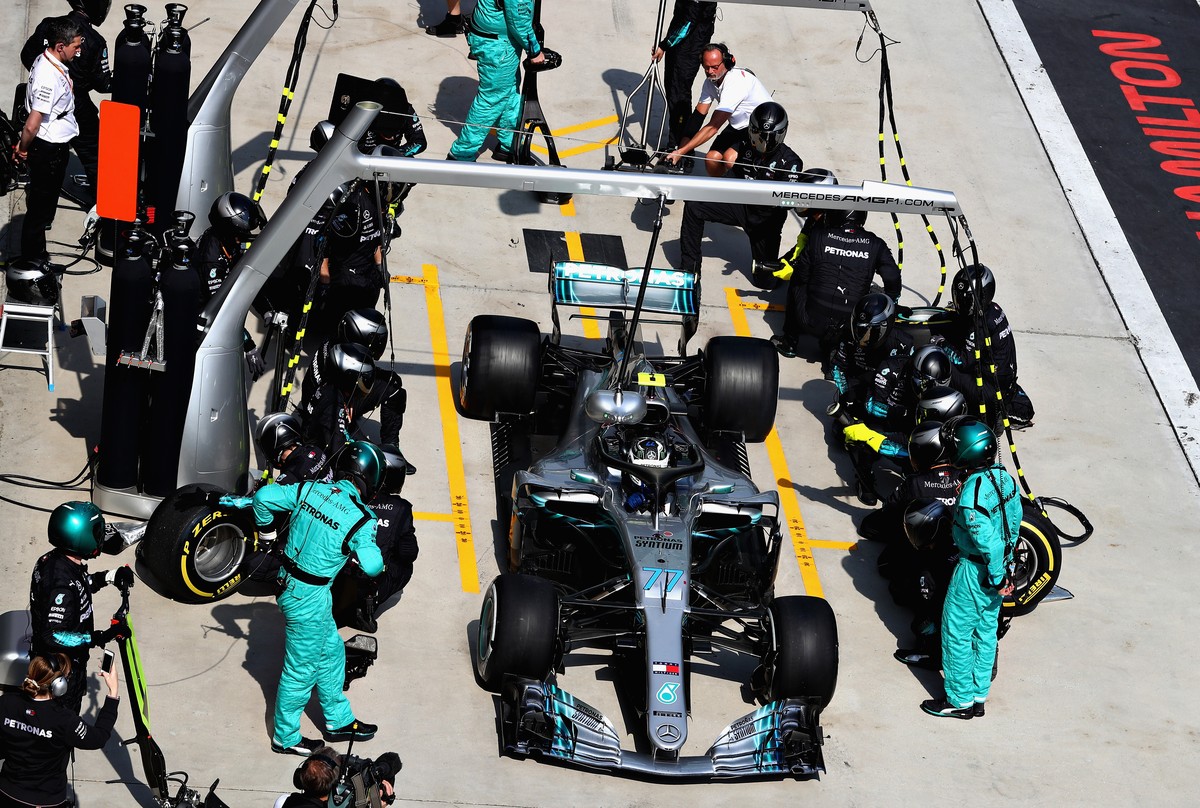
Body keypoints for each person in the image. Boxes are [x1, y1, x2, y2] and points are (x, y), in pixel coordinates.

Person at [252, 441, 386, 754]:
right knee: (301, 671)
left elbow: (262, 498)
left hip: (292, 585)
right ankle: (285, 738)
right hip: (309, 598)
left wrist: (266, 535)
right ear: (370, 482)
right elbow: (373, 565)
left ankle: (338, 720)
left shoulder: (309, 489)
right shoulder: (361, 520)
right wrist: (363, 545)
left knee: (332, 649)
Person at [921, 416, 1021, 719]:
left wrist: (995, 575)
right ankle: (978, 695)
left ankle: (958, 699)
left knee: (956, 633)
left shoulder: (970, 496)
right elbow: (1014, 524)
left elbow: (987, 541)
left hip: (976, 573)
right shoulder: (1005, 479)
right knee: (985, 631)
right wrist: (1005, 569)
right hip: (1000, 566)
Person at [676, 102, 805, 290]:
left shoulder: (792, 162)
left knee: (765, 282)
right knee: (694, 205)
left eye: (769, 138)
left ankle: (793, 261)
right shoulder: (744, 143)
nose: (763, 142)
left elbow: (787, 202)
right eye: (758, 135)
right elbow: (728, 167)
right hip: (739, 206)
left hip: (765, 220)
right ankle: (689, 269)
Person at [30, 501, 133, 713]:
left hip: (64, 663)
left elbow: (80, 584)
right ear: (80, 536)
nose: (100, 537)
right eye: (96, 532)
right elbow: (53, 635)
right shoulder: (61, 586)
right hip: (62, 670)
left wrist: (110, 576)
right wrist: (98, 637)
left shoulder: (54, 560)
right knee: (62, 727)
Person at [770, 208, 902, 361]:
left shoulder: (819, 236)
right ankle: (842, 353)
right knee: (875, 295)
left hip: (809, 321)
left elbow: (801, 274)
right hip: (850, 328)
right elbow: (893, 278)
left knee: (797, 282)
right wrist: (891, 300)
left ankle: (790, 342)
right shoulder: (876, 244)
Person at [21, 1, 112, 209]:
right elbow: (103, 83)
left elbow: (27, 55)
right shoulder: (96, 41)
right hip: (76, 105)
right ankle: (103, 206)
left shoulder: (48, 26)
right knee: (94, 154)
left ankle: (41, 209)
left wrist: (46, 76)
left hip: (43, 108)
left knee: (43, 166)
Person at [0, 654, 120, 807]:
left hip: (6, 792)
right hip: (44, 801)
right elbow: (99, 738)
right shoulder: (65, 720)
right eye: (68, 676)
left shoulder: (6, 702)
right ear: (59, 685)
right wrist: (113, 692)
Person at [15, 16, 83, 264]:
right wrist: (23, 149)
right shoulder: (48, 77)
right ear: (60, 46)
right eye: (76, 46)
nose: (79, 51)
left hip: (56, 143)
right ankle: (32, 261)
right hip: (48, 148)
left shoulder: (49, 59)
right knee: (39, 209)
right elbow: (32, 124)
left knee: (43, 205)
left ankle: (38, 254)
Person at [332, 445, 419, 633]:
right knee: (404, 567)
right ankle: (368, 603)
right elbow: (409, 553)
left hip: (329, 576)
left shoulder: (342, 496)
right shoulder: (401, 508)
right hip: (363, 584)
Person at [447, 0, 544, 162]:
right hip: (498, 45)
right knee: (491, 98)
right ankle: (461, 154)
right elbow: (518, 21)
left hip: (494, 38)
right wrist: (534, 51)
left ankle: (509, 144)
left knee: (510, 90)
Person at [934, 263, 1030, 428]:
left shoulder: (979, 325)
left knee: (938, 365)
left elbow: (962, 362)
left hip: (989, 388)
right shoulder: (993, 309)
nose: (960, 303)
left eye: (965, 300)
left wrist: (941, 344)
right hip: (1002, 379)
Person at [302, 309, 409, 453]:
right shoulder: (337, 361)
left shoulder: (341, 348)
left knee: (393, 386)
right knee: (369, 455)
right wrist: (346, 407)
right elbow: (330, 397)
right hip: (328, 411)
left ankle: (392, 445)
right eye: (374, 339)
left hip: (339, 399)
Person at [663, 43, 772, 177]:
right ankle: (722, 193)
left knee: (730, 159)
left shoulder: (736, 82)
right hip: (738, 126)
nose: (710, 72)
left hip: (760, 129)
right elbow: (697, 117)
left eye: (714, 67)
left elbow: (713, 127)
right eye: (706, 67)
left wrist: (682, 152)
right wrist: (680, 150)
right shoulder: (709, 83)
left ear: (726, 62)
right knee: (711, 159)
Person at [316, 183, 385, 340]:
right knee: (340, 331)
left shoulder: (381, 206)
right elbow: (324, 246)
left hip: (369, 278)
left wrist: (381, 267)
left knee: (365, 326)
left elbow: (377, 241)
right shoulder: (352, 205)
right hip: (346, 282)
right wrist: (325, 281)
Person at [651, 0, 718, 151]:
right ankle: (678, 143)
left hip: (688, 47)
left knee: (679, 95)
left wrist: (665, 44)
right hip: (684, 45)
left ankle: (678, 147)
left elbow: (688, 22)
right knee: (676, 94)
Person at [300, 342, 377, 461]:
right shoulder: (333, 407)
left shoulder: (333, 388)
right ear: (349, 378)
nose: (364, 384)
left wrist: (374, 449)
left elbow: (350, 428)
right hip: (319, 457)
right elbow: (337, 450)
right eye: (361, 379)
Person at [194, 191, 267, 303]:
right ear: (230, 230)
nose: (247, 234)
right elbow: (219, 302)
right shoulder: (212, 261)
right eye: (243, 231)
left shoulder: (224, 238)